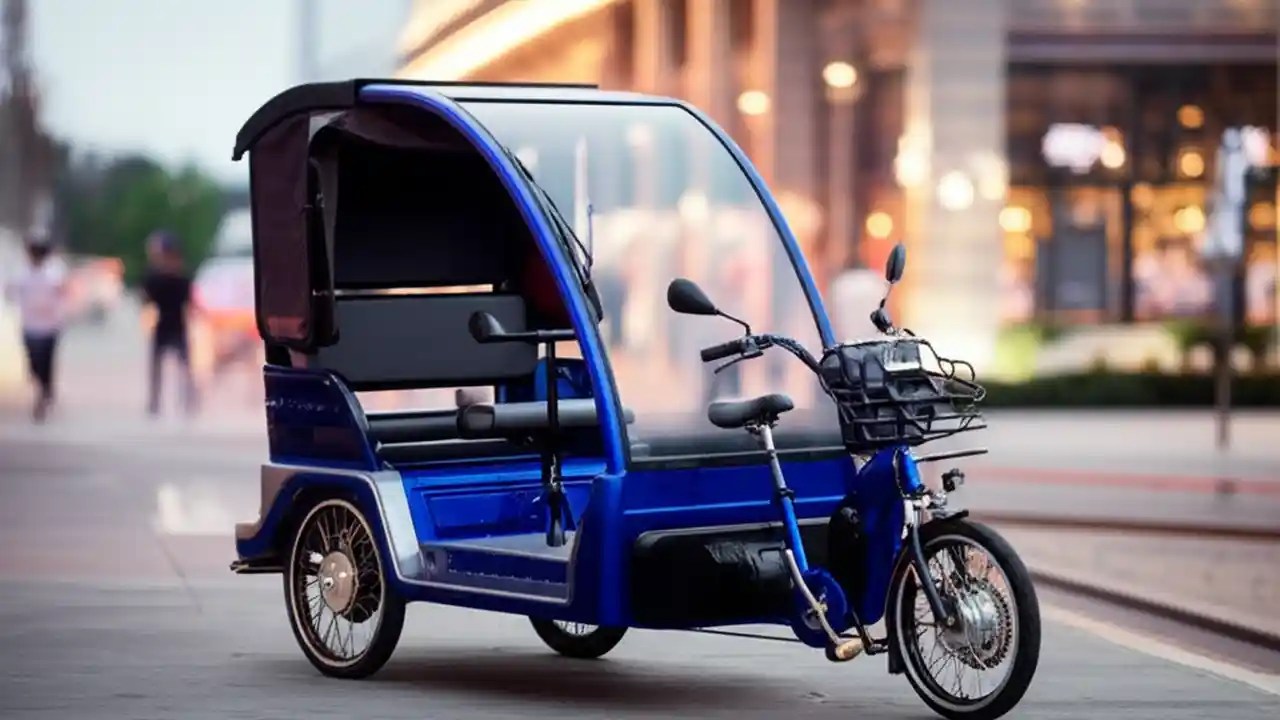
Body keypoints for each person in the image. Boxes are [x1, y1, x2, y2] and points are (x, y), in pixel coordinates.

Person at [5, 236, 69, 422]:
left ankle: (44, 392)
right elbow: (10, 290)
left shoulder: (54, 272)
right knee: (33, 363)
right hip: (30, 325)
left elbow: (63, 290)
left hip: (50, 326)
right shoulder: (22, 273)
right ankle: (42, 386)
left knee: (46, 362)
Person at [140, 230, 197, 416]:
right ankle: (165, 401)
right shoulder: (177, 276)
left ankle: (175, 401)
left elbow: (146, 299)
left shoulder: (163, 277)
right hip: (170, 324)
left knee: (172, 366)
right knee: (172, 366)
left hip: (171, 324)